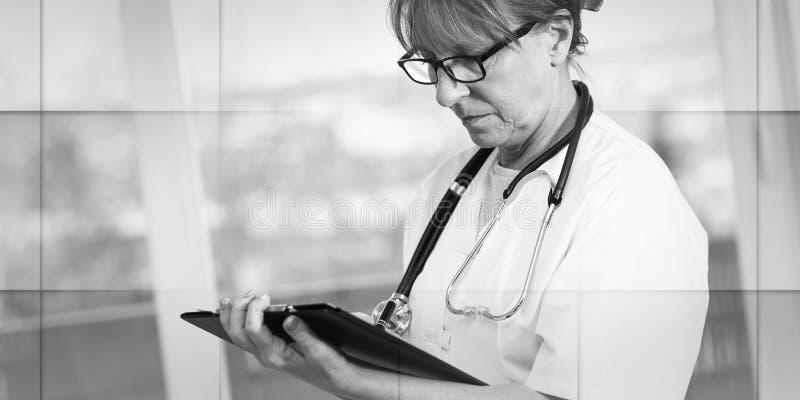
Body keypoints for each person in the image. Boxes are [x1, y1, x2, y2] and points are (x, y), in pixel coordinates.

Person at [219, 1, 709, 399]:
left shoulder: (626, 195)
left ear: (555, 39)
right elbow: (428, 361)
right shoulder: (446, 184)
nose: (445, 94)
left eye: (469, 61)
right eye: (433, 64)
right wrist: (333, 353)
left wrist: (361, 382)